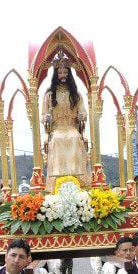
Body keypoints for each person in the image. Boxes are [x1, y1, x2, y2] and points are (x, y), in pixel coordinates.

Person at [42, 53, 89, 190]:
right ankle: (58, 179)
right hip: (57, 129)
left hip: (71, 128)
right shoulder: (49, 95)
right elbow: (44, 115)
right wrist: (46, 118)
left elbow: (82, 111)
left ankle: (77, 179)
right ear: (56, 75)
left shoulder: (76, 94)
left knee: (74, 138)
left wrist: (81, 116)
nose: (63, 75)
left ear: (69, 75)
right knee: (57, 139)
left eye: (65, 72)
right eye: (60, 73)